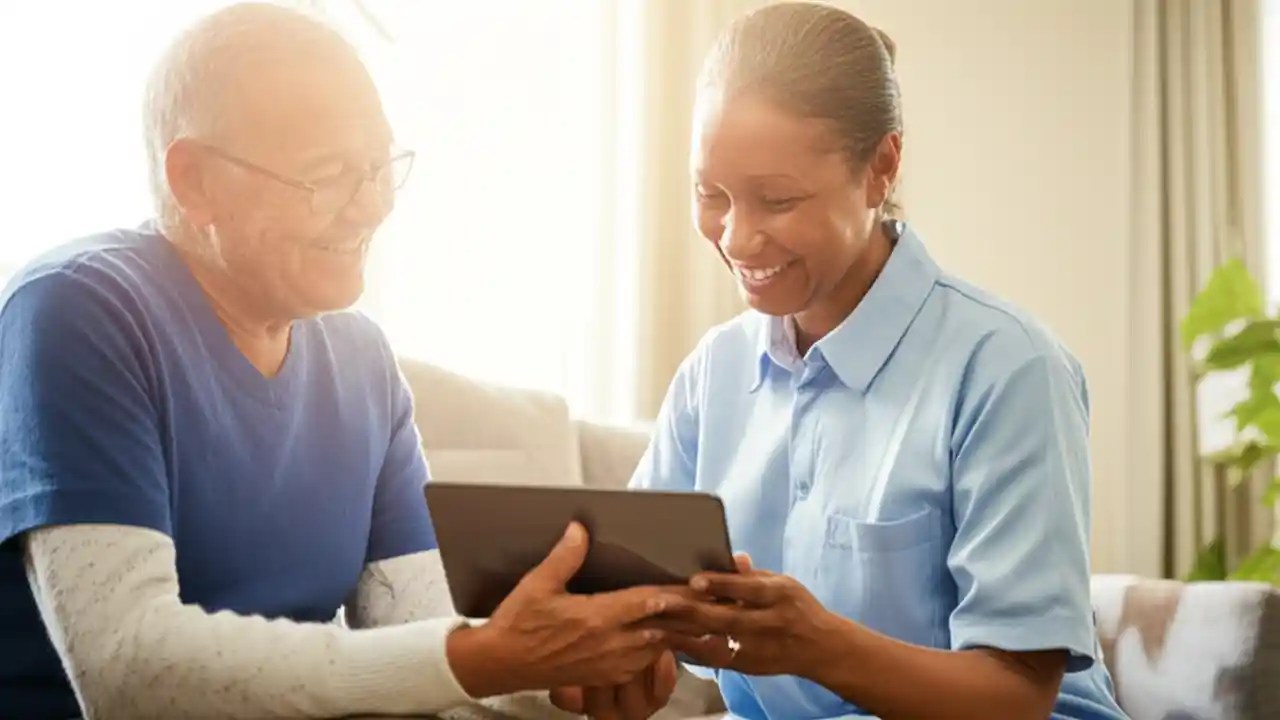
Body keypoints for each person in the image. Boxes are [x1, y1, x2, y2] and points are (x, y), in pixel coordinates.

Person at [0, 4, 686, 719]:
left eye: (379, 168)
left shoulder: (360, 362)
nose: (369, 208)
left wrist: (561, 674)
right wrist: (485, 658)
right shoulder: (77, 310)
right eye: (327, 176)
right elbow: (128, 669)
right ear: (195, 180)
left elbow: (418, 633)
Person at [630, 3, 1129, 719]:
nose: (735, 238)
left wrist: (815, 645)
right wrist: (627, 655)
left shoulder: (1007, 369)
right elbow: (639, 597)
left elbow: (1017, 695)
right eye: (710, 194)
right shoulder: (714, 374)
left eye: (777, 199)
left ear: (881, 168)